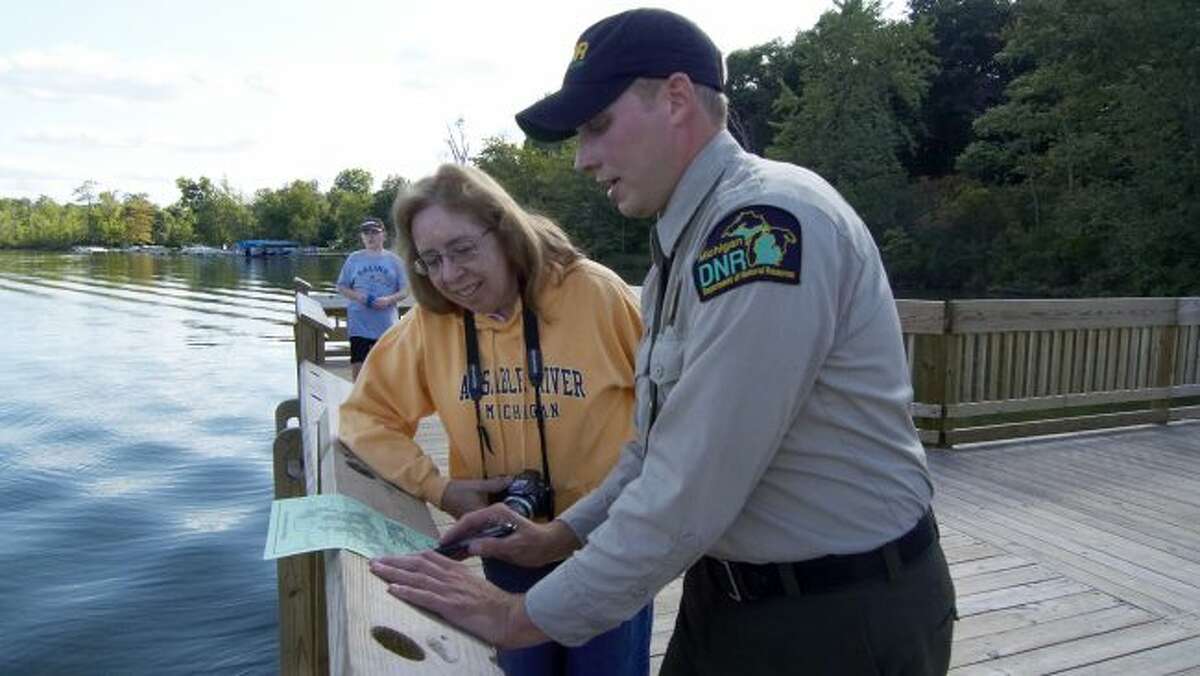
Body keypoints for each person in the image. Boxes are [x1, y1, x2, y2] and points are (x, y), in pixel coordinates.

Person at [369, 7, 958, 676]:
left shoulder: (764, 228)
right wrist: (561, 535)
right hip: (734, 600)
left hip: (838, 621)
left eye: (597, 126)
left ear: (676, 98)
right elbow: (655, 453)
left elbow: (688, 485)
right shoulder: (683, 250)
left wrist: (515, 617)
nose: (584, 158)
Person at [338, 164, 651, 675]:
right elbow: (364, 416)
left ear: (505, 230)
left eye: (463, 250)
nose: (449, 275)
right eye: (430, 260)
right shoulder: (433, 324)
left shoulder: (596, 295)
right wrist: (440, 489)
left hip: (607, 551)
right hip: (505, 553)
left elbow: (674, 418)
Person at [335, 217, 408, 380]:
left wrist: (389, 300)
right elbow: (341, 286)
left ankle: (386, 404)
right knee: (359, 369)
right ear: (362, 237)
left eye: (374, 232)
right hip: (359, 323)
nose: (370, 236)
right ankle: (359, 403)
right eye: (366, 233)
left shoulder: (394, 261)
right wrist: (359, 297)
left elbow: (405, 290)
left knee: (386, 370)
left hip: (386, 324)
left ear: (384, 235)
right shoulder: (354, 259)